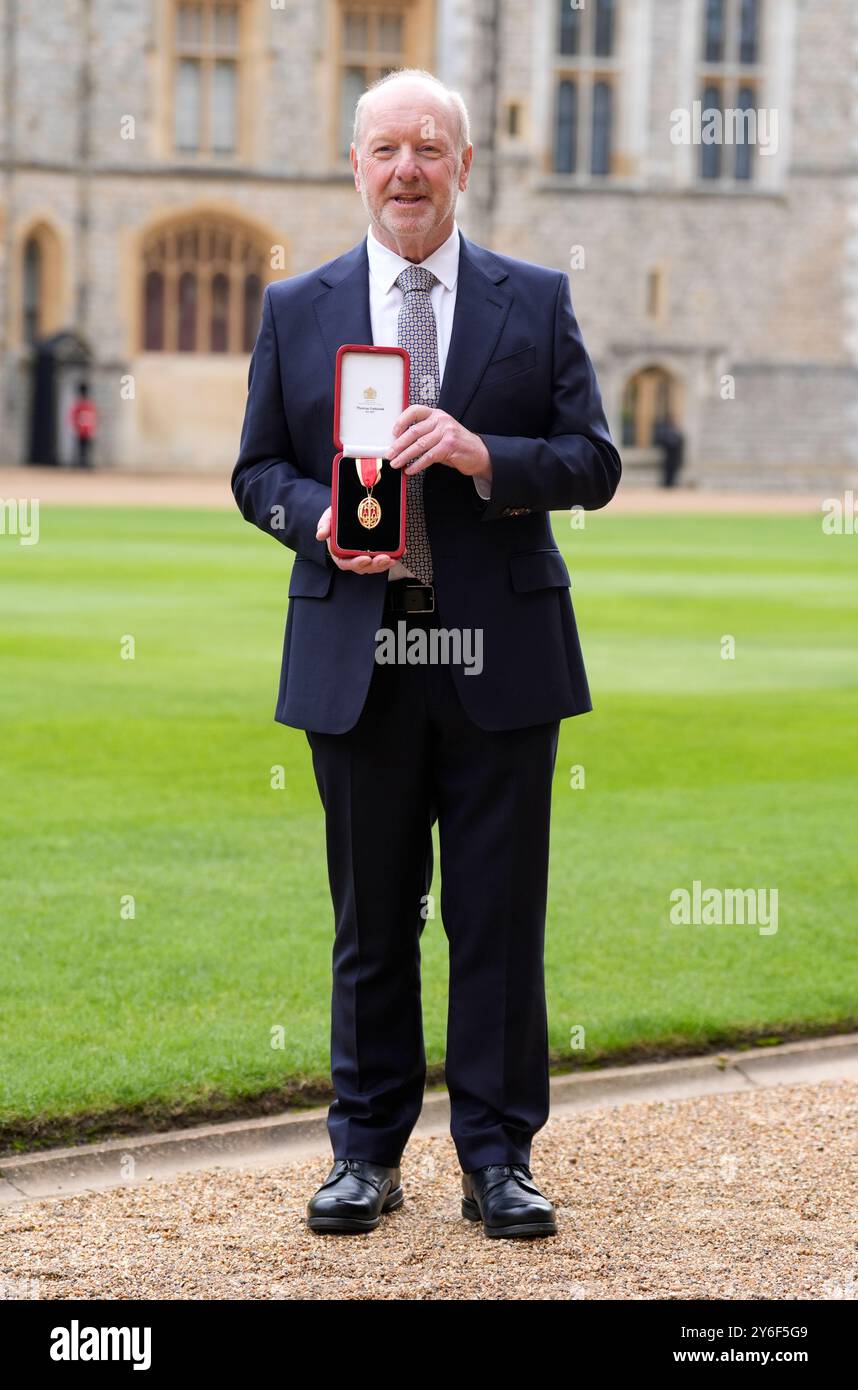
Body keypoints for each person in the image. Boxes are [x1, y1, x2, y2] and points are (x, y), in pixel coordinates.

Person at [231, 68, 621, 1240]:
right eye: (385, 148)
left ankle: (498, 1159)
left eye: (429, 148)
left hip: (500, 654)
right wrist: (317, 523)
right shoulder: (297, 306)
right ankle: (365, 1153)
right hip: (361, 654)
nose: (407, 169)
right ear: (355, 166)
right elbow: (257, 474)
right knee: (372, 919)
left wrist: (480, 452)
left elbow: (592, 461)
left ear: (463, 164)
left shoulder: (535, 298)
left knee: (497, 919)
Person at [68, 381, 97, 469]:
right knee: (82, 449)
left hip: (84, 430)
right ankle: (82, 463)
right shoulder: (89, 404)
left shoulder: (81, 405)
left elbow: (73, 417)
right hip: (85, 430)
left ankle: (83, 463)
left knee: (83, 449)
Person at [654, 411, 684, 488]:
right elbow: (662, 440)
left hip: (675, 458)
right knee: (667, 478)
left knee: (673, 477)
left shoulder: (676, 430)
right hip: (668, 458)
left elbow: (681, 442)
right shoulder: (665, 429)